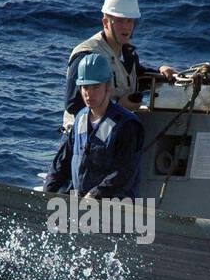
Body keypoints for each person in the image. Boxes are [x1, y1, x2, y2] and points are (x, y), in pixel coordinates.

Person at [62, 0, 176, 129]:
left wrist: (161, 73)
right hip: (83, 140)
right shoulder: (87, 55)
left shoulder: (127, 53)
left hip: (114, 135)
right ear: (105, 22)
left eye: (130, 21)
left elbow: (132, 76)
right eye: (120, 21)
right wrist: (118, 107)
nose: (126, 27)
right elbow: (74, 105)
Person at [45, 53, 144, 199]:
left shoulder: (126, 125)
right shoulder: (80, 118)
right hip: (81, 203)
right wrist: (47, 191)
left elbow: (124, 171)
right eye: (85, 87)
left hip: (113, 206)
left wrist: (96, 194)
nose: (89, 94)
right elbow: (63, 161)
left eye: (96, 87)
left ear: (108, 87)